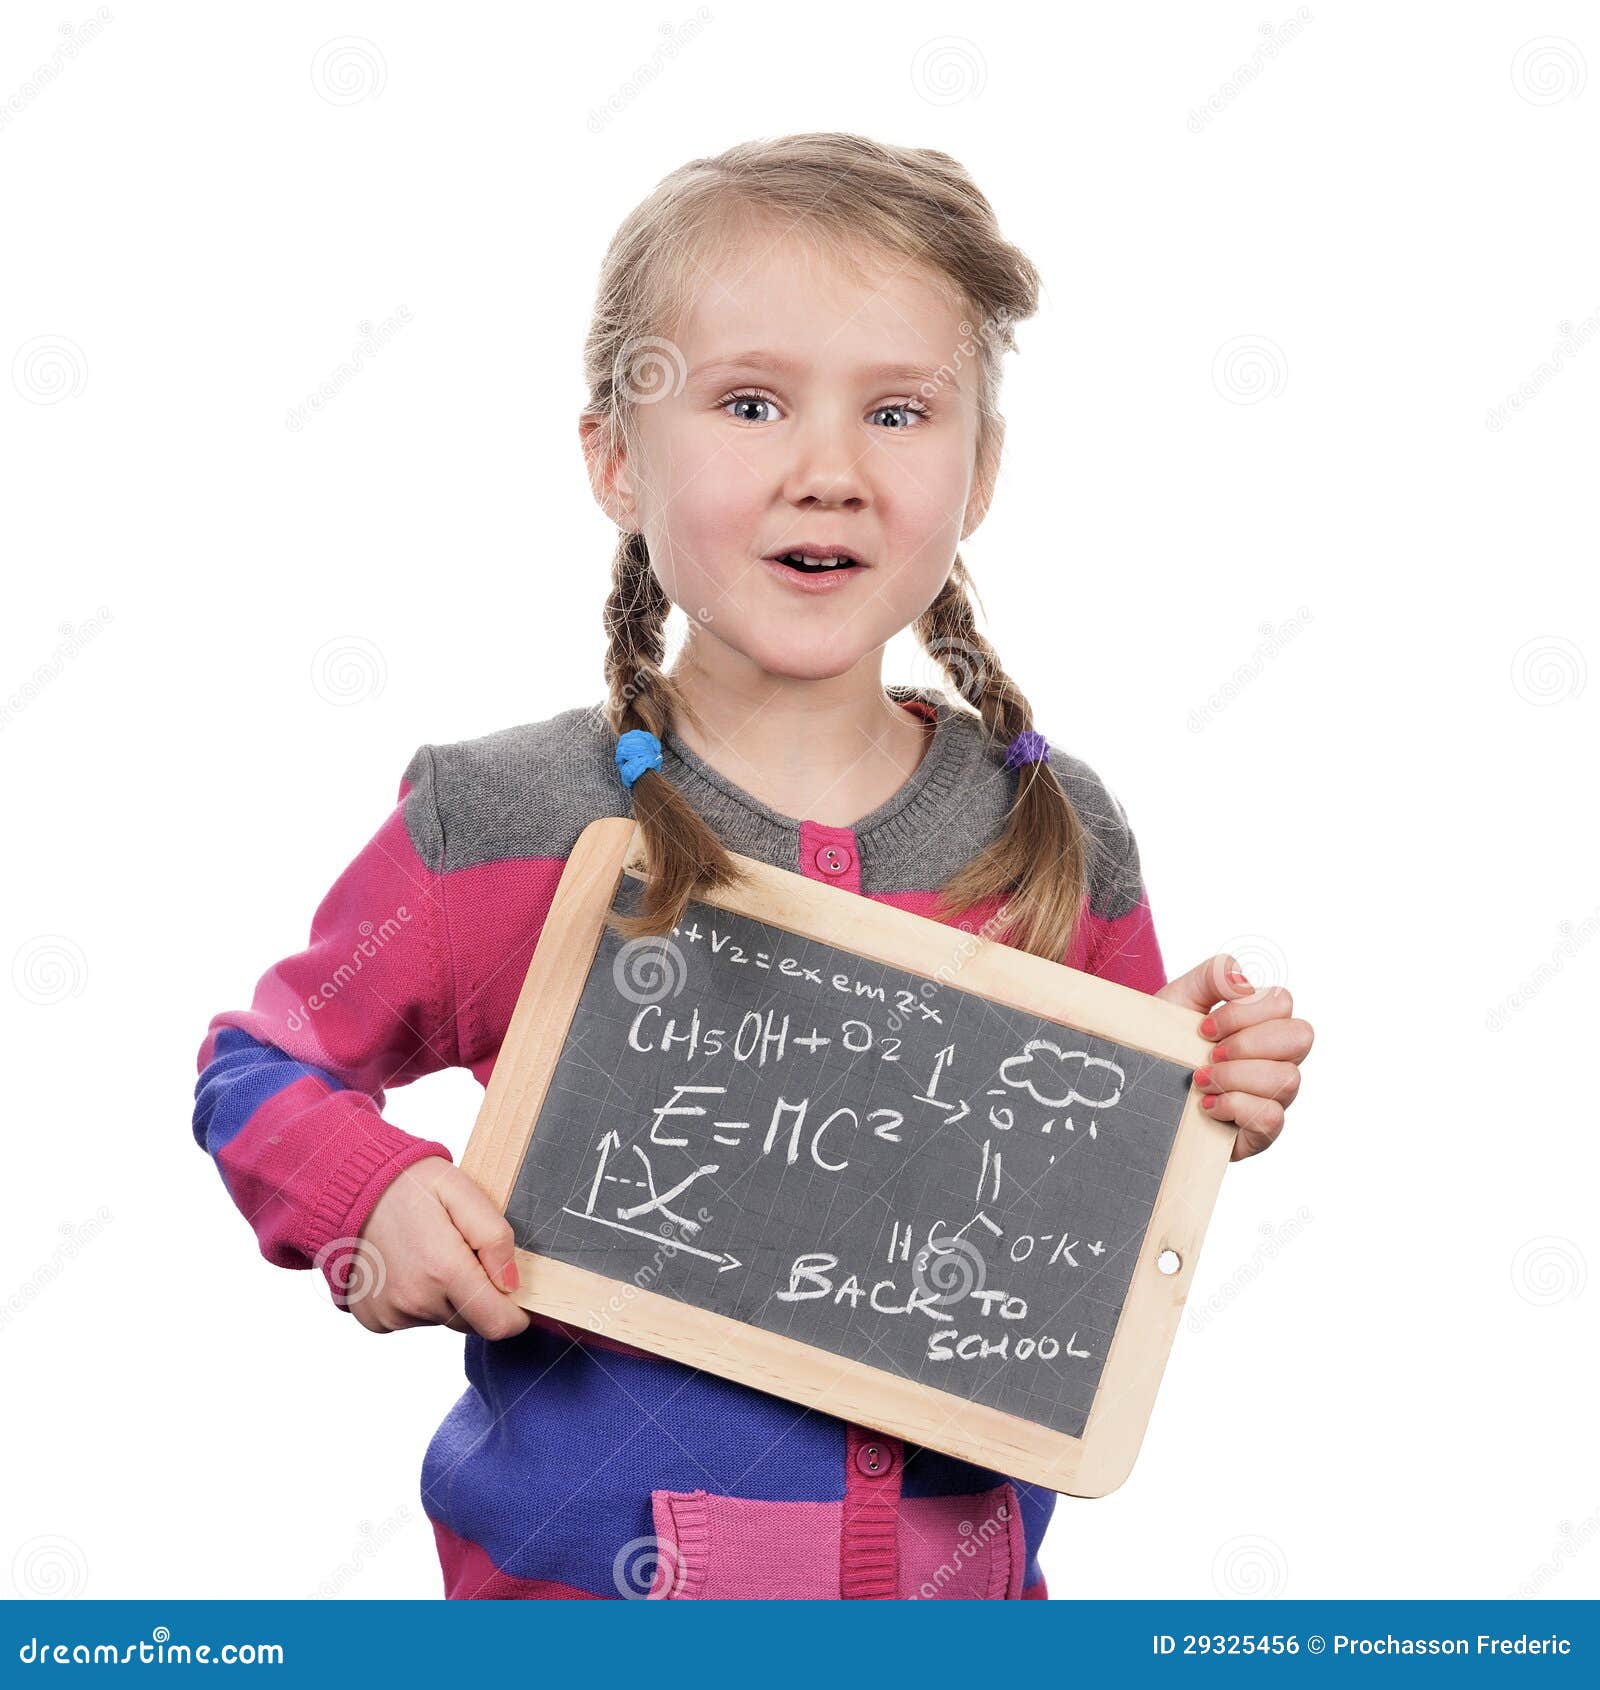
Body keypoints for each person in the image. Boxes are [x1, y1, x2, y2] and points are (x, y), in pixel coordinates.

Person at [192, 132, 1314, 1600]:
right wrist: (374, 1194)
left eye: (901, 411)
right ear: (613, 456)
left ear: (980, 469)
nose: (830, 472)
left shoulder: (1057, 838)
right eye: (750, 401)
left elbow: (1078, 1205)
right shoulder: (507, 815)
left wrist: (1204, 1085)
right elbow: (259, 1065)